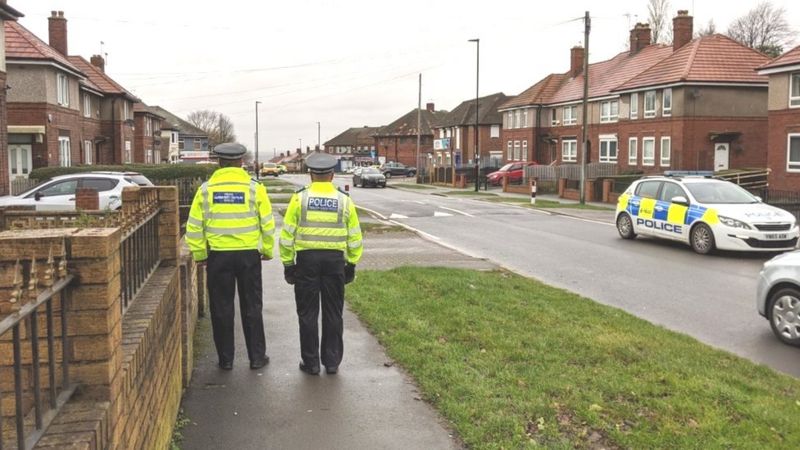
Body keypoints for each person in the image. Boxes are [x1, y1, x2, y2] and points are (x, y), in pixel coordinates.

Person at [186, 143, 275, 370]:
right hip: (248, 256)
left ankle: (226, 359)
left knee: (222, 307)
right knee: (252, 306)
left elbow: (195, 226)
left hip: (218, 257)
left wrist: (200, 254)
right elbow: (267, 222)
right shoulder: (255, 188)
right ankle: (256, 357)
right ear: (240, 161)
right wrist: (266, 249)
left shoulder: (206, 190)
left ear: (219, 162)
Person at [280, 152, 363, 375]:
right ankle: (332, 361)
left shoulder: (299, 198)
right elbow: (354, 236)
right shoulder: (344, 201)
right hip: (335, 262)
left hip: (307, 262)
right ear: (332, 175)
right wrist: (352, 264)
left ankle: (311, 363)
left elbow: (287, 235)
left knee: (307, 313)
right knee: (333, 313)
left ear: (310, 176)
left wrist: (288, 264)